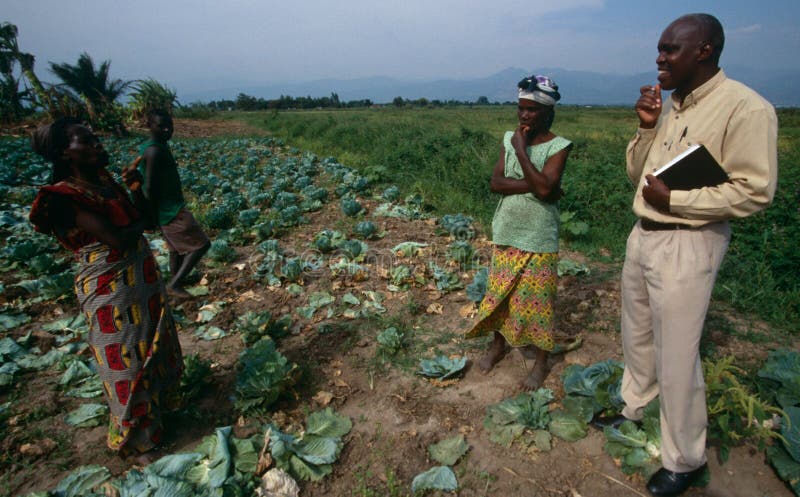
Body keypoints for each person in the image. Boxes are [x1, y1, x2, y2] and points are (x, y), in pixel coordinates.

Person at [591, 13, 778, 497]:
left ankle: (683, 458)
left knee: (678, 353)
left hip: (689, 240)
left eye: (671, 49)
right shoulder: (671, 107)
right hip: (644, 233)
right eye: (659, 48)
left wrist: (676, 201)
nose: (660, 57)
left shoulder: (746, 108)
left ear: (705, 51)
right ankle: (635, 404)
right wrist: (647, 128)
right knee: (637, 332)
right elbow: (639, 175)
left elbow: (755, 191)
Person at [29, 118, 183, 461]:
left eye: (95, 137)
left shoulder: (105, 184)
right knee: (124, 359)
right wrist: (144, 219)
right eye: (87, 140)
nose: (98, 143)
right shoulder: (63, 196)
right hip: (109, 285)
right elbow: (118, 237)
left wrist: (136, 190)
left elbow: (139, 216)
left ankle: (157, 417)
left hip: (140, 281)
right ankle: (134, 440)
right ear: (65, 154)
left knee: (151, 347)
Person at [465, 75, 572, 390]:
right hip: (507, 230)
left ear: (548, 113)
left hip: (539, 236)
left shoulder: (558, 146)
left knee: (539, 303)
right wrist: (543, 186)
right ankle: (498, 345)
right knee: (500, 296)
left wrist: (523, 153)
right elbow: (496, 183)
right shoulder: (508, 138)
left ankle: (540, 362)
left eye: (532, 111)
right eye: (521, 109)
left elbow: (541, 190)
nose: (524, 116)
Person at [139, 109, 210, 300]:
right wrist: (151, 214)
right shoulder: (154, 151)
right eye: (160, 126)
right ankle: (175, 283)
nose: (166, 130)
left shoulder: (157, 146)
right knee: (201, 245)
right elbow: (150, 186)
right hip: (169, 209)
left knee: (175, 249)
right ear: (149, 126)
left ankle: (175, 280)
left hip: (166, 208)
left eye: (169, 126)